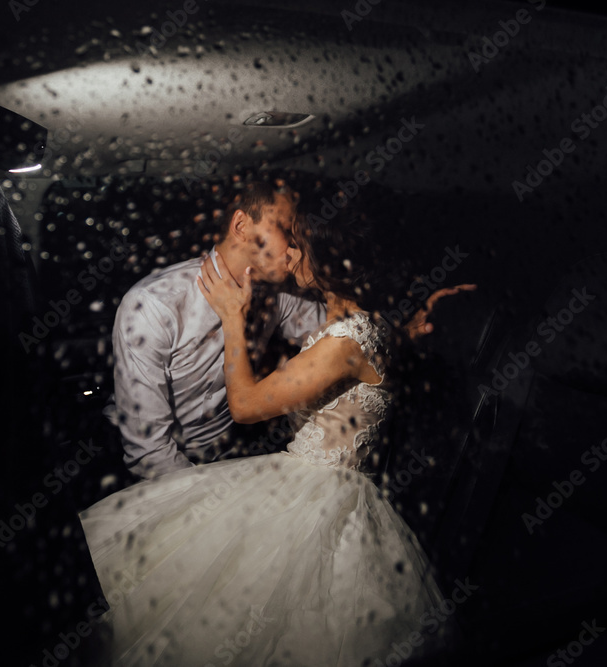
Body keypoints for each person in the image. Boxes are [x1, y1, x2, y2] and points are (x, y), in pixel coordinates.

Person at [78, 208, 475, 666]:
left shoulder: (347, 340)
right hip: (299, 479)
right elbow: (372, 353)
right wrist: (412, 327)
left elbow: (245, 406)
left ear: (329, 263)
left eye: (300, 245)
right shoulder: (365, 326)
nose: (290, 252)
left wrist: (232, 317)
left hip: (320, 494)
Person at [109, 181, 461, 479]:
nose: (294, 249)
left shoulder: (280, 297)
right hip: (170, 470)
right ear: (242, 226)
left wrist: (404, 329)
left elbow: (354, 337)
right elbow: (149, 451)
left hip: (234, 456)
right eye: (286, 231)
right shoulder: (151, 306)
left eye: (299, 238)